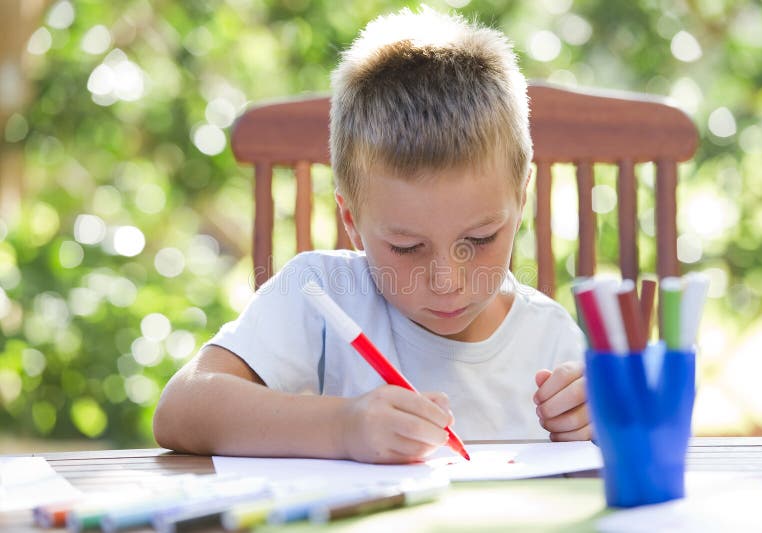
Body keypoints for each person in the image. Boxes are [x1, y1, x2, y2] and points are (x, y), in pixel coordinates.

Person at [153, 6, 589, 464]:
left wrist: (597, 422)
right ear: (351, 220)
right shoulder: (319, 296)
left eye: (480, 239)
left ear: (522, 200)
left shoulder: (551, 337)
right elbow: (181, 409)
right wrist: (344, 428)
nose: (446, 280)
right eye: (407, 247)